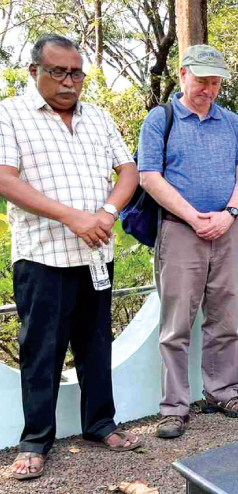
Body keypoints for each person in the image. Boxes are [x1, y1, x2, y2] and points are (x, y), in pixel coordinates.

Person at [0, 34, 141, 480]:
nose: (68, 81)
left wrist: (106, 211)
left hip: (96, 253)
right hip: (43, 255)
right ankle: (35, 440)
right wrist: (72, 217)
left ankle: (100, 424)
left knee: (96, 342)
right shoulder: (9, 113)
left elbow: (128, 170)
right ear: (34, 72)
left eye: (75, 72)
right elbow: (5, 179)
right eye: (57, 72)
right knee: (42, 350)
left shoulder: (98, 117)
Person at [138, 45, 238, 438]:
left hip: (227, 229)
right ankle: (174, 408)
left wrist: (230, 214)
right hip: (179, 231)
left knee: (224, 316)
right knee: (176, 323)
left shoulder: (232, 122)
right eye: (203, 80)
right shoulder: (160, 120)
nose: (209, 88)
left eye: (216, 81)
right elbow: (149, 177)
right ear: (183, 73)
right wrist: (193, 217)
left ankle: (222, 391)